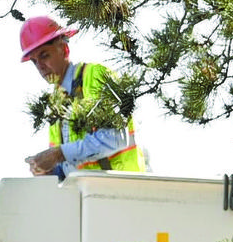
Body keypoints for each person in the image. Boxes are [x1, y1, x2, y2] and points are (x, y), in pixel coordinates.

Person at [18, 15, 146, 177]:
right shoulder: (55, 104)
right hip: (87, 195)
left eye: (44, 55)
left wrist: (59, 154)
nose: (40, 67)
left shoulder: (97, 76)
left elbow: (117, 138)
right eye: (34, 61)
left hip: (122, 191)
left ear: (64, 49)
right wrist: (51, 170)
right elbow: (72, 164)